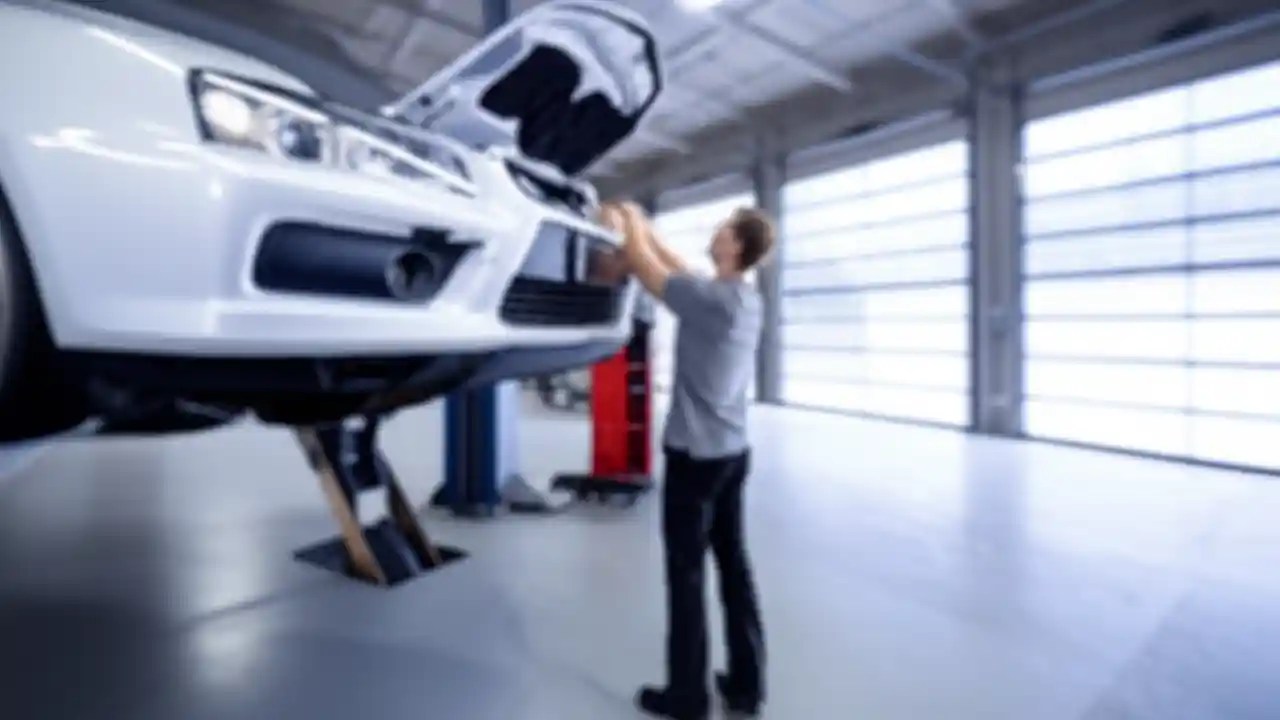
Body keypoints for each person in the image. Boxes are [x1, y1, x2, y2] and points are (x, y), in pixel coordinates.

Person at [605, 201, 774, 720]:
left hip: (694, 461)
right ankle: (746, 686)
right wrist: (652, 230)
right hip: (732, 454)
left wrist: (630, 220)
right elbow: (679, 270)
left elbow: (649, 271)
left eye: (724, 228)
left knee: (686, 577)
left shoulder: (712, 302)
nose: (716, 230)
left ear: (737, 246)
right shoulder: (742, 299)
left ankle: (687, 697)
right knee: (734, 568)